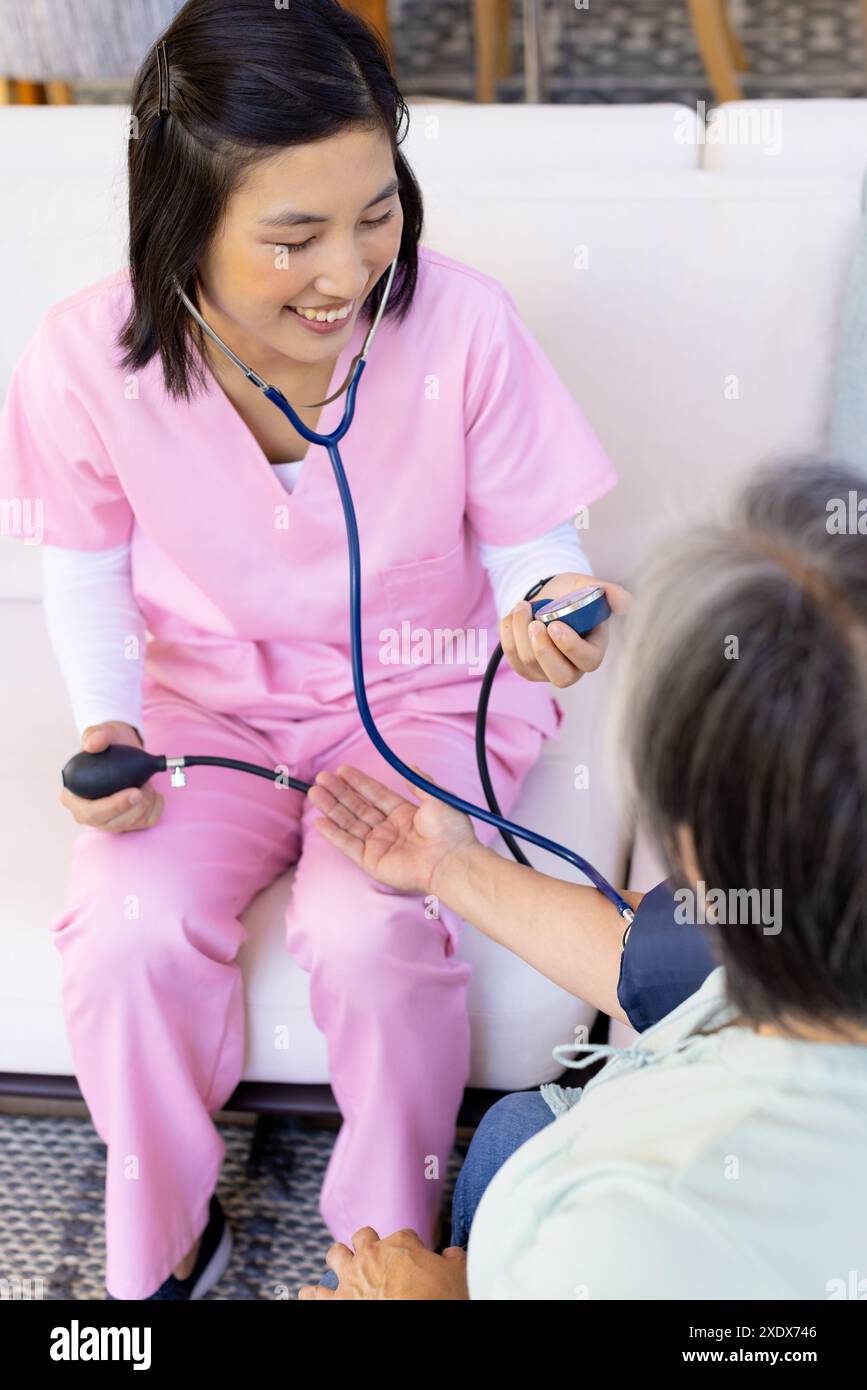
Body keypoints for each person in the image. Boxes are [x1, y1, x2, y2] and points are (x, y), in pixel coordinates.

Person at [0, 0, 623, 1300]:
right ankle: (165, 1244)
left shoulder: (459, 327)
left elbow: (530, 541)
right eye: (293, 237)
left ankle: (381, 1251)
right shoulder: (83, 355)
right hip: (205, 708)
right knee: (125, 927)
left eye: (375, 212)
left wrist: (554, 606)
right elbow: (85, 564)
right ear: (185, 224)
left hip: (424, 687)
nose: (347, 271)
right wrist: (106, 722)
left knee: (370, 925)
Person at [301, 458, 867, 1300]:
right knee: (516, 1127)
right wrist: (447, 866)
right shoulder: (799, 931)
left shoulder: (637, 1220)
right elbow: (670, 958)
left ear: (690, 838)